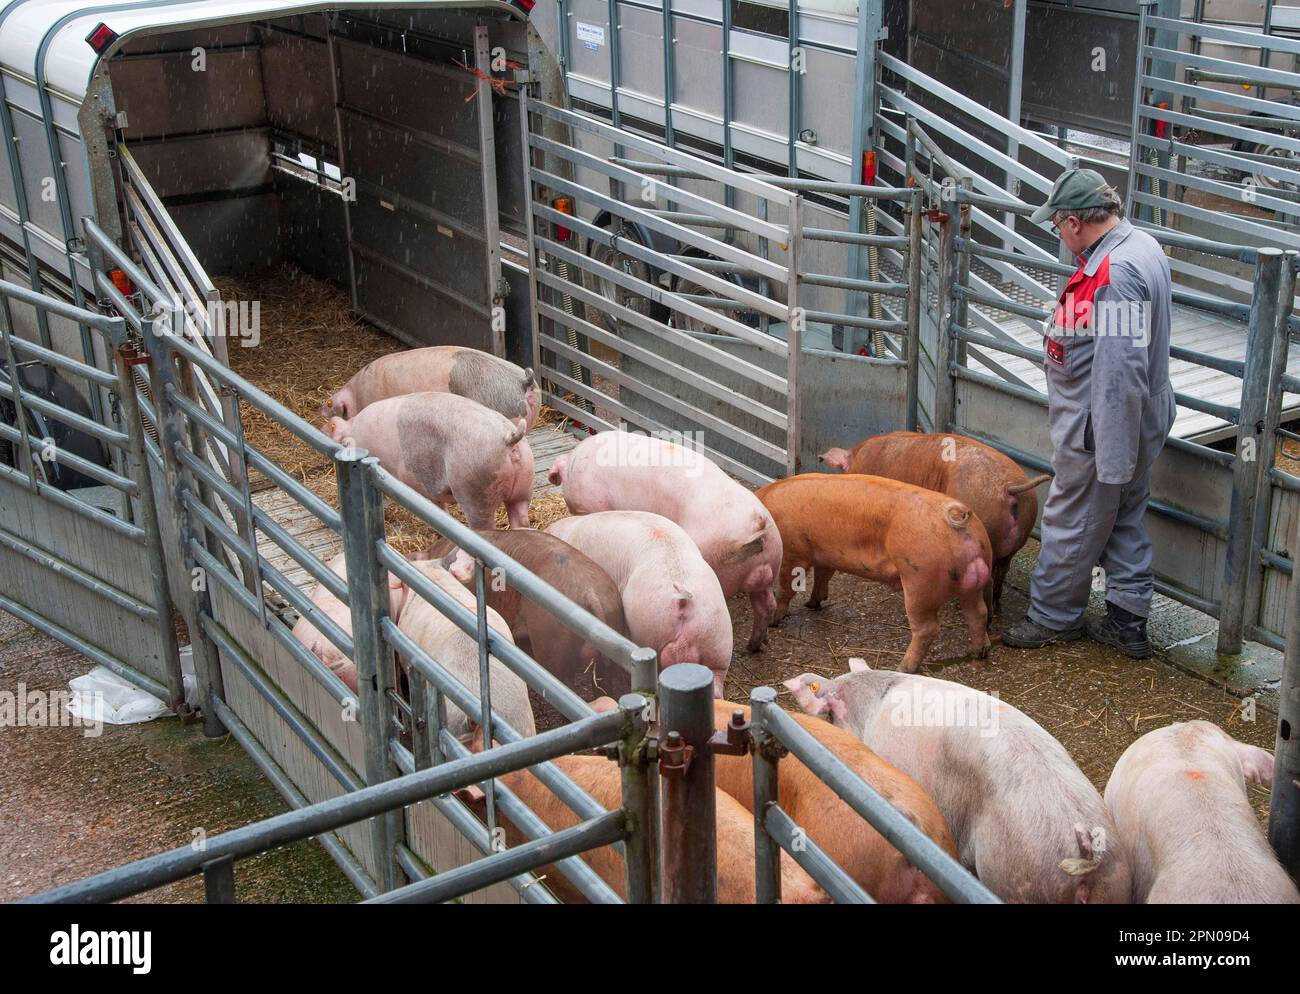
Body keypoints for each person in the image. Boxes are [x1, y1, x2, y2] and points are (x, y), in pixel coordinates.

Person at [1002, 168, 1176, 659]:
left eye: (1057, 225)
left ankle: (1055, 616)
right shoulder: (1140, 245)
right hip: (1141, 416)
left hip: (1103, 426)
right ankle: (1129, 619)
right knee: (1123, 516)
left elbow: (1120, 371)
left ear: (1075, 221)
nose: (1058, 235)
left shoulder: (1115, 275)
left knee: (1073, 519)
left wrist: (1112, 457)